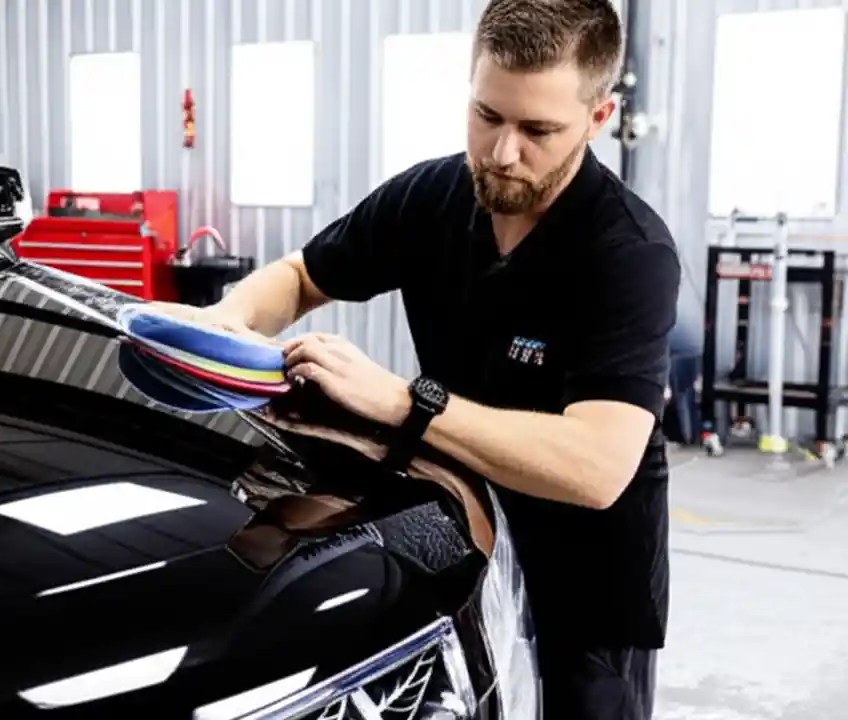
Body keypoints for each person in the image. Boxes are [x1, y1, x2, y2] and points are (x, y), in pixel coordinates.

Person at [153, 0, 678, 717]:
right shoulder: (433, 196)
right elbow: (302, 276)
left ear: (598, 118)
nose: (501, 153)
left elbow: (595, 468)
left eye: (537, 130)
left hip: (587, 581)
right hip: (458, 537)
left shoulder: (628, 254)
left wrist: (404, 402)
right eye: (486, 115)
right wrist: (226, 322)